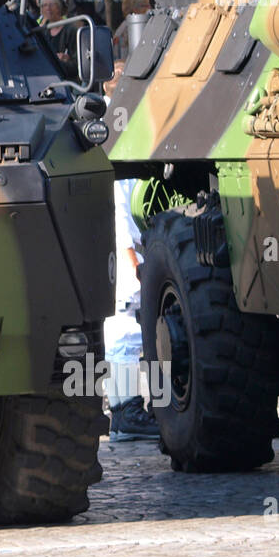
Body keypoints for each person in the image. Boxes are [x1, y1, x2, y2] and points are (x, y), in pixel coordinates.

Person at [105, 177, 160, 442]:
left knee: (118, 336)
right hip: (130, 260)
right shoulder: (122, 178)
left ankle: (120, 415)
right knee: (127, 333)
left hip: (123, 259)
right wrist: (134, 264)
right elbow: (122, 221)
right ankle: (129, 413)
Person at [33, 0, 78, 71]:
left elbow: (77, 63)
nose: (48, 8)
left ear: (60, 7)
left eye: (52, 5)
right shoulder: (40, 30)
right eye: (44, 5)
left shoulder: (71, 30)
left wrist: (66, 60)